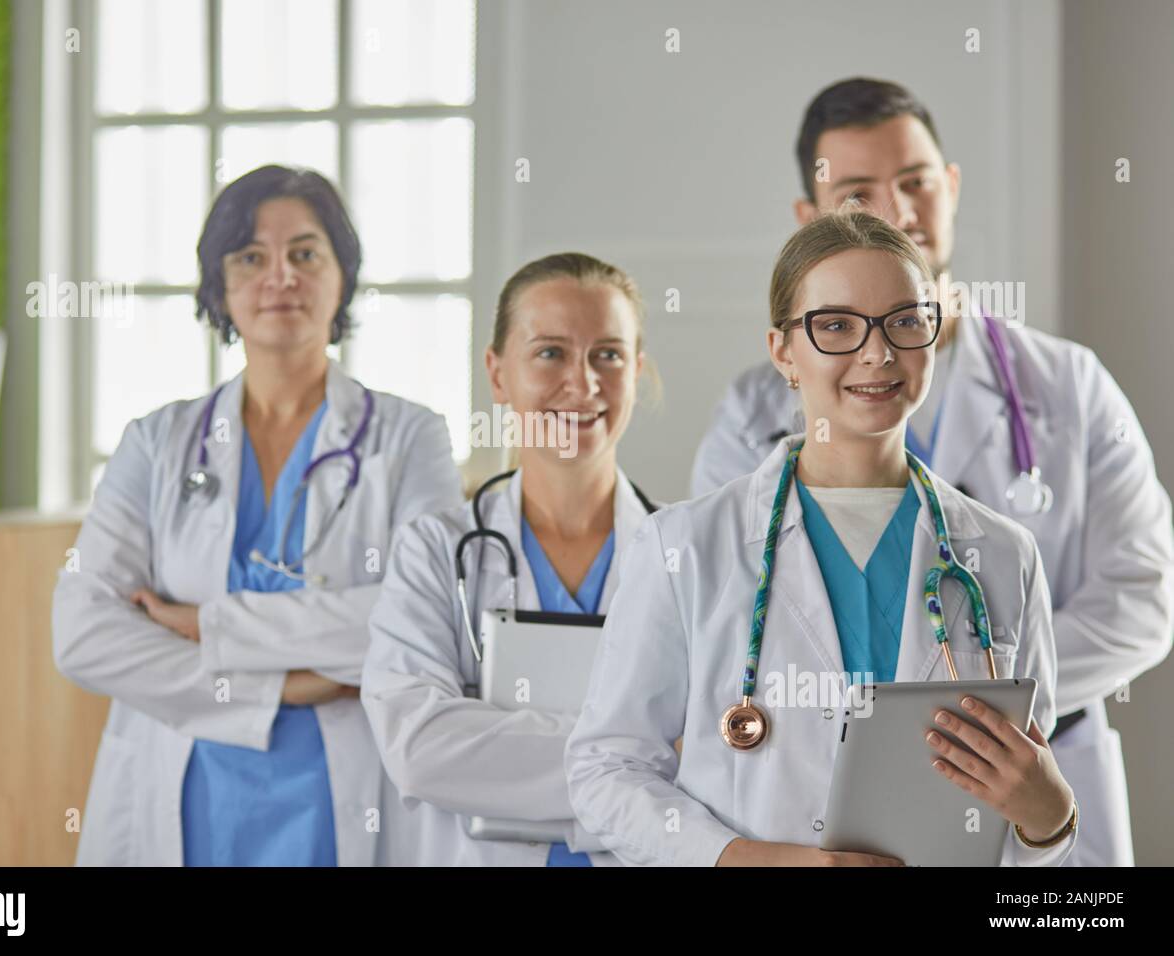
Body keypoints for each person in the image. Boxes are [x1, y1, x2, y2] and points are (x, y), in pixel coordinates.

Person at [689, 78, 1173, 866]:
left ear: (949, 186)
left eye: (916, 182)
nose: (899, 210)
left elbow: (1142, 601)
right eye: (859, 190)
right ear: (812, 222)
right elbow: (711, 615)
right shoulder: (752, 414)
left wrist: (971, 706)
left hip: (1040, 784)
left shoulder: (1068, 386)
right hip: (815, 790)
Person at [568, 211, 1079, 866]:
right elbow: (605, 770)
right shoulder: (686, 546)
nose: (877, 352)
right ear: (783, 352)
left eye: (905, 320)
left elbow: (1016, 822)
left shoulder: (1004, 557)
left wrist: (1051, 818)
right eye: (836, 325)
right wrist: (759, 862)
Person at [52, 165, 463, 866]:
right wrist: (289, 686)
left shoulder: (409, 437)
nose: (281, 277)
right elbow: (83, 634)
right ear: (220, 287)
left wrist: (207, 624)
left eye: (306, 253)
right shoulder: (155, 443)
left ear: (342, 278)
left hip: (339, 793)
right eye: (250, 257)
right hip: (186, 790)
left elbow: (427, 619)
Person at [363, 253, 657, 865]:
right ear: (497, 375)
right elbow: (419, 749)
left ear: (637, 370)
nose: (583, 383)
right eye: (550, 352)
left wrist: (497, 764)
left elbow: (717, 759)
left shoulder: (688, 555)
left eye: (608, 353)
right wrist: (635, 761)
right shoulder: (434, 552)